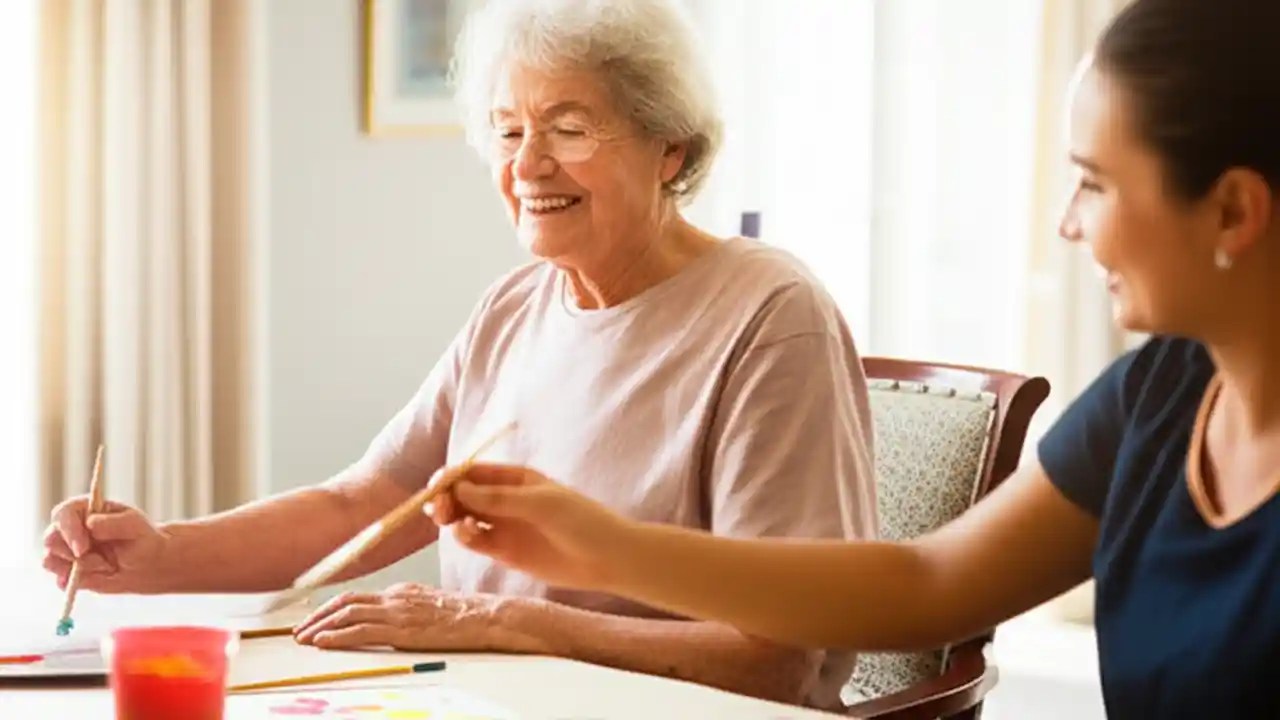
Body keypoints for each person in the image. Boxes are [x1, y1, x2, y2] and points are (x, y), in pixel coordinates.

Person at [427, 0, 1280, 716]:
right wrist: (598, 545)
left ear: (1234, 211)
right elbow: (922, 584)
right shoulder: (1161, 395)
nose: (1068, 223)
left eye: (1094, 183)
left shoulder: (768, 307)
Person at [40, 0, 877, 709]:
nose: (529, 163)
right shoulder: (514, 308)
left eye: (570, 127)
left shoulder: (770, 317)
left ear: (673, 151)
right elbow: (366, 501)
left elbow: (781, 658)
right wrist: (161, 555)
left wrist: (503, 626)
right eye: (509, 130)